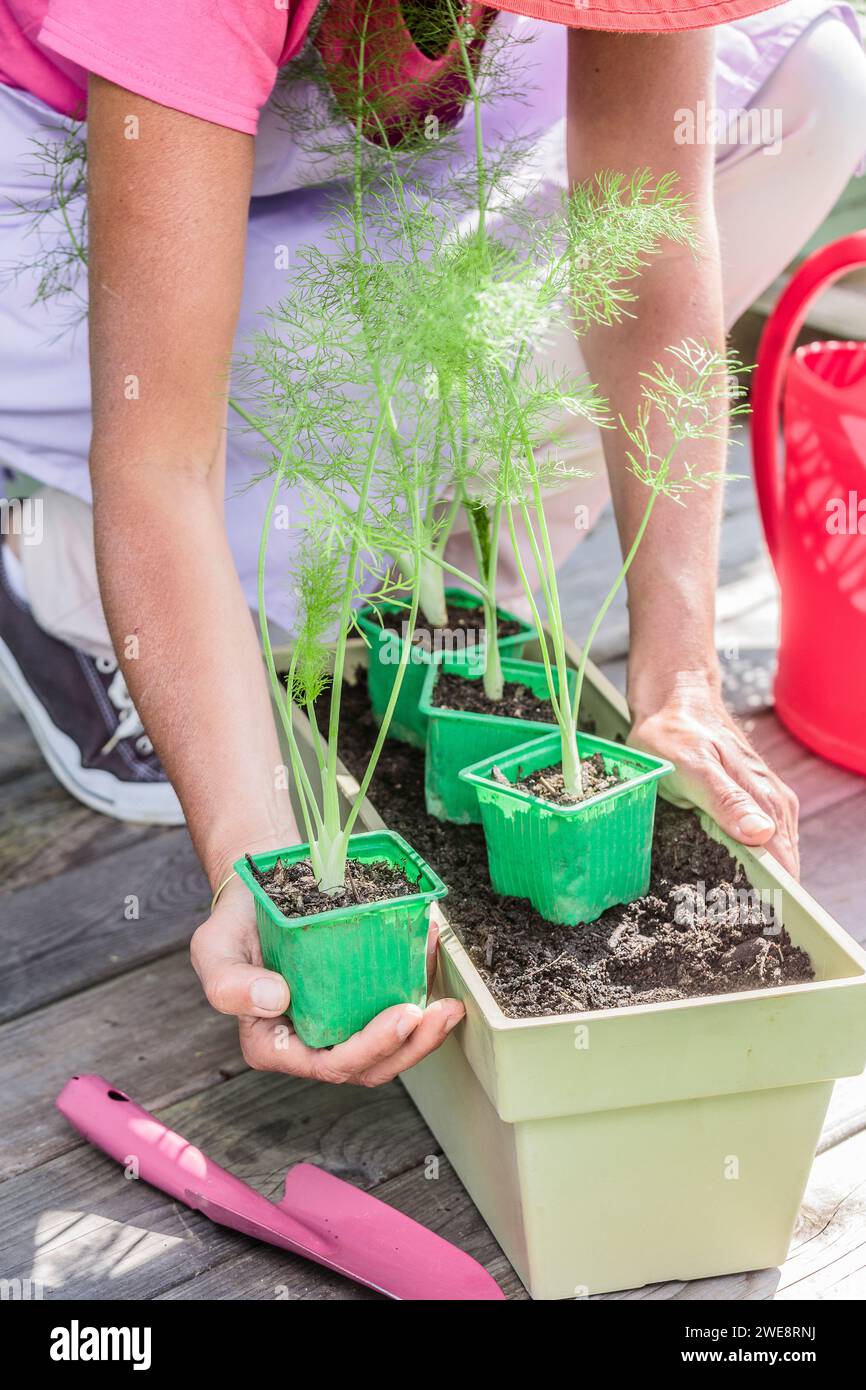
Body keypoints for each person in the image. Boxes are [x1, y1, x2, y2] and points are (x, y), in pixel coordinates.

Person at [1, 0, 865, 1086]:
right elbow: (161, 461)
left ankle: (421, 590)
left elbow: (642, 259)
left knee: (817, 84)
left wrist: (678, 671)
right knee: (334, 425)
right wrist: (259, 870)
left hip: (351, 109)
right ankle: (55, 565)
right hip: (78, 169)